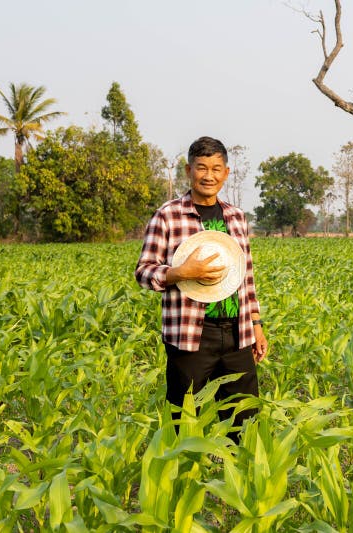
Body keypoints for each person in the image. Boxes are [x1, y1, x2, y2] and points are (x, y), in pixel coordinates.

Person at [135, 136, 267, 443]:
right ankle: (182, 481)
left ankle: (240, 482)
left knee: (244, 422)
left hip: (237, 333)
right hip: (192, 334)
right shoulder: (167, 216)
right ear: (188, 171)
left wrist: (256, 324)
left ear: (226, 173)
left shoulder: (236, 217)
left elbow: (244, 277)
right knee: (183, 421)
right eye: (202, 168)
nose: (209, 175)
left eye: (216, 168)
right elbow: (143, 271)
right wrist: (179, 273)